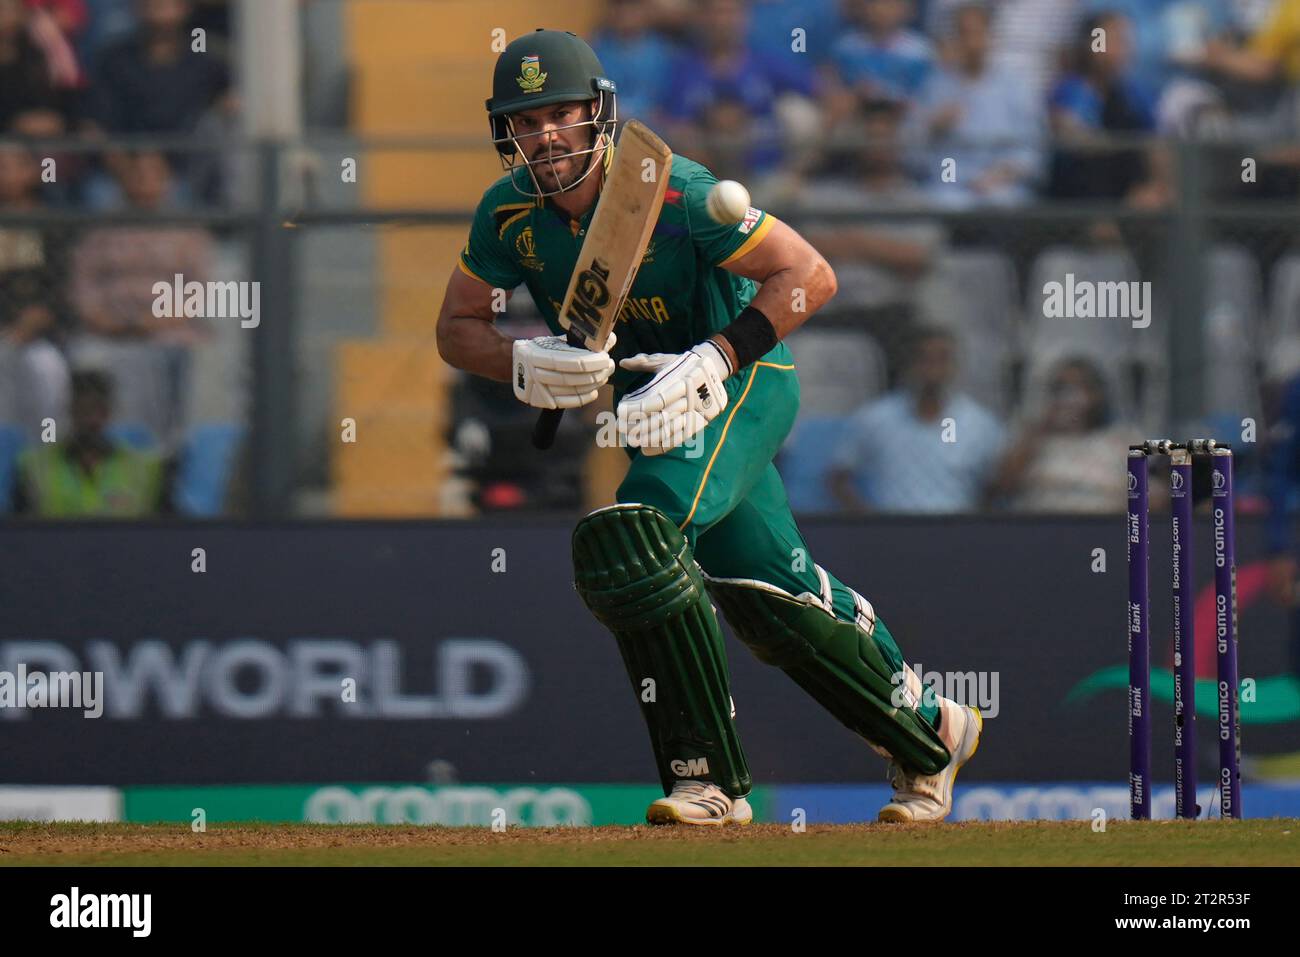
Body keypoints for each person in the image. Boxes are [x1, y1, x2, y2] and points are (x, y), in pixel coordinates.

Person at [436, 29, 983, 826]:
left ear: (599, 114)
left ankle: (707, 780)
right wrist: (521, 362)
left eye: (561, 112)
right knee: (769, 594)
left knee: (634, 538)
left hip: (742, 385)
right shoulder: (509, 214)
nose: (546, 133)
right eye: (527, 119)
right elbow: (457, 328)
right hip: (652, 407)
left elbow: (810, 274)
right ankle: (932, 733)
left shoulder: (676, 192)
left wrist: (719, 355)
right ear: (506, 130)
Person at [827, 326, 1005, 511]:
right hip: (891, 533)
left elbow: (995, 487)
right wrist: (867, 522)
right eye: (925, 359)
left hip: (957, 532)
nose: (933, 369)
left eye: (942, 359)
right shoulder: (874, 418)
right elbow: (838, 477)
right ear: (909, 364)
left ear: (954, 366)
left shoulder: (980, 424)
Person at [988, 356, 1137, 511]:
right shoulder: (1032, 439)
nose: (1069, 397)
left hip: (1105, 527)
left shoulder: (1122, 439)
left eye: (1078, 388)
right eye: (1060, 388)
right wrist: (1038, 433)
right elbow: (1002, 487)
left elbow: (1150, 495)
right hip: (1042, 528)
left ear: (1096, 394)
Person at [14, 370, 166, 516]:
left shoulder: (143, 469)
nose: (91, 420)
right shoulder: (35, 467)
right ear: (70, 410)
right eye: (83, 410)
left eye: (97, 409)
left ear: (108, 412)